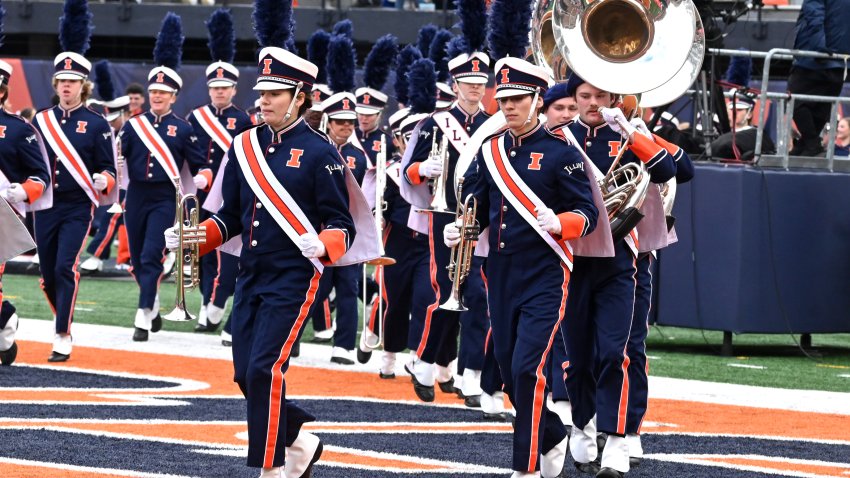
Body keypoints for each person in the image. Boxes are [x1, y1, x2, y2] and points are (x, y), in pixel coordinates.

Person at [166, 45, 375, 478]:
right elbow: (230, 216)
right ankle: (299, 441)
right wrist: (192, 237)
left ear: (300, 97)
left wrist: (323, 244)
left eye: (274, 93)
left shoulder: (321, 152)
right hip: (251, 272)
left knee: (265, 368)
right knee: (245, 374)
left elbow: (343, 222)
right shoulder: (244, 145)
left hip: (295, 276)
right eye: (262, 92)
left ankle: (271, 469)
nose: (263, 100)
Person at [452, 56, 598, 478]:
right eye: (504, 99)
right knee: (508, 369)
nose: (509, 106)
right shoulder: (490, 150)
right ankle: (550, 434)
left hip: (545, 272)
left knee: (526, 369)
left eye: (518, 99)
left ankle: (525, 469)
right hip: (500, 273)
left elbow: (588, 213)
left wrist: (561, 223)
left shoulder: (561, 154)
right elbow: (476, 205)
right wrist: (461, 229)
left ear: (537, 99)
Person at [563, 73, 676, 478]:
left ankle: (617, 439)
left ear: (613, 97)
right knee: (578, 357)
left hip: (619, 261)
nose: (593, 102)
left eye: (601, 95)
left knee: (616, 352)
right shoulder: (559, 137)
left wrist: (632, 132)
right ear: (575, 98)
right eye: (585, 95)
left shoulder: (629, 134)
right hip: (573, 260)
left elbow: (672, 169)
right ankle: (582, 423)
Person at [401, 48, 492, 404]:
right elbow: (409, 171)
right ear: (455, 86)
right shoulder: (435, 123)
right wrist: (423, 170)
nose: (474, 88)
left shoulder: (494, 125)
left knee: (478, 295)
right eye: (468, 82)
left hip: (482, 216)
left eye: (480, 82)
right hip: (445, 215)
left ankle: (472, 377)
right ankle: (424, 362)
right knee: (446, 291)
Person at [120, 19, 210, 342]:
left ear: (173, 97)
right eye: (154, 91)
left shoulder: (183, 128)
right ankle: (153, 305)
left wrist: (202, 177)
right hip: (136, 195)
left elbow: (201, 164)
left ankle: (142, 317)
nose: (157, 96)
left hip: (164, 197)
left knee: (150, 256)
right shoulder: (133, 125)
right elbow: (119, 160)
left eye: (163, 93)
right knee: (136, 261)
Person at [32, 47, 118, 362]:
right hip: (45, 204)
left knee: (64, 268)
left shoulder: (97, 123)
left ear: (83, 85)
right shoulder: (41, 120)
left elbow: (109, 168)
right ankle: (64, 321)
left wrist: (105, 180)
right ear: (55, 84)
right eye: (62, 80)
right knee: (47, 275)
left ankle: (62, 335)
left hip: (78, 205)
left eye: (73, 81)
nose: (66, 86)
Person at [188, 22, 253, 333]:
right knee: (200, 250)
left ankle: (216, 305)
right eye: (215, 87)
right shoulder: (196, 117)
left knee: (225, 252)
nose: (219, 92)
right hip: (199, 194)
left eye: (225, 88)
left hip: (228, 195)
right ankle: (206, 303)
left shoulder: (243, 120)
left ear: (234, 90)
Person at [309, 91, 369, 364]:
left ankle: (343, 347)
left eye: (350, 122)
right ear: (328, 122)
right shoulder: (314, 147)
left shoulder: (359, 156)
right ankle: (291, 340)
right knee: (314, 288)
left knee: (348, 289)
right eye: (340, 121)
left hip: (347, 231)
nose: (346, 126)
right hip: (317, 229)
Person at [0, 59, 52, 366]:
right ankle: (4, 318)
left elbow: (40, 176)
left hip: (2, 214)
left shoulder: (19, 129)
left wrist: (24, 190)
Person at [787, 0, 850, 157]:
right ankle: (805, 145)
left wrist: (819, 48)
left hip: (816, 58)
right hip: (841, 60)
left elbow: (814, 15)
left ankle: (812, 144)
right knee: (821, 106)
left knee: (793, 100)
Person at [80, 95, 132, 273]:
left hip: (134, 184)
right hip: (120, 184)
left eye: (115, 118)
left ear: (125, 114)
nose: (112, 122)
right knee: (111, 218)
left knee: (112, 218)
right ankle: (98, 257)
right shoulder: (111, 132)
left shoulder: (134, 129)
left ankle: (97, 256)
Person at [710, 90, 776, 161]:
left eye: (739, 110)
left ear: (749, 114)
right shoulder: (719, 131)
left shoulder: (756, 135)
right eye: (732, 109)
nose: (734, 112)